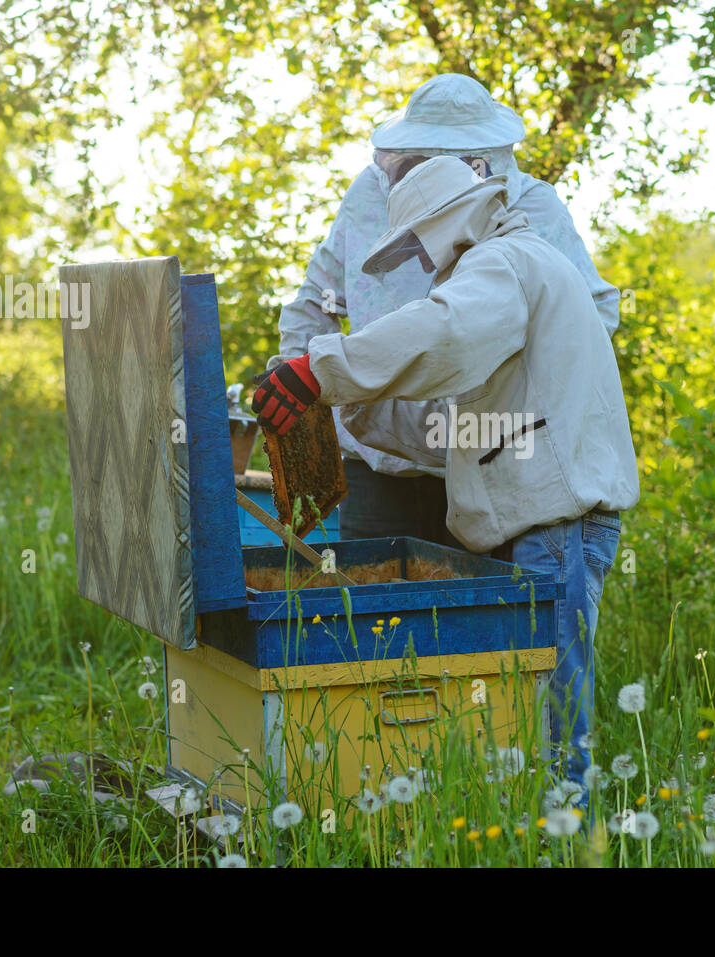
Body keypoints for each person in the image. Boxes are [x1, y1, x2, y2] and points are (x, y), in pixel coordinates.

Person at [252, 156, 640, 784]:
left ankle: (571, 844)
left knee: (553, 720)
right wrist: (343, 414)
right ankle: (539, 838)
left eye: (420, 245)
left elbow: (441, 332)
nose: (425, 263)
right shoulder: (510, 275)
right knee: (533, 711)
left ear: (447, 223)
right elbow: (451, 431)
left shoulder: (505, 262)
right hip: (548, 528)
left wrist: (319, 370)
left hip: (559, 528)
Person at [268, 73, 620, 549]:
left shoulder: (523, 227)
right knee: (374, 616)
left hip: (494, 461)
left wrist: (535, 414)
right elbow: (315, 301)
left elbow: (451, 327)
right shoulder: (367, 197)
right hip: (380, 463)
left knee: (478, 612)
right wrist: (306, 383)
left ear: (476, 169)